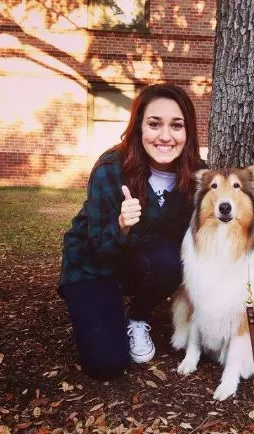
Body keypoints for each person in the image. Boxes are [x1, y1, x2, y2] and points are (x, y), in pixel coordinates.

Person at [58, 83, 205, 379]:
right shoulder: (110, 168)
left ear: (187, 132)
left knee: (170, 258)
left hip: (143, 260)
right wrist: (122, 225)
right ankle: (101, 309)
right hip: (92, 264)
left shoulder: (197, 176)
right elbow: (99, 247)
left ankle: (137, 316)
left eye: (176, 125)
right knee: (107, 365)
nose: (165, 136)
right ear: (138, 127)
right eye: (154, 124)